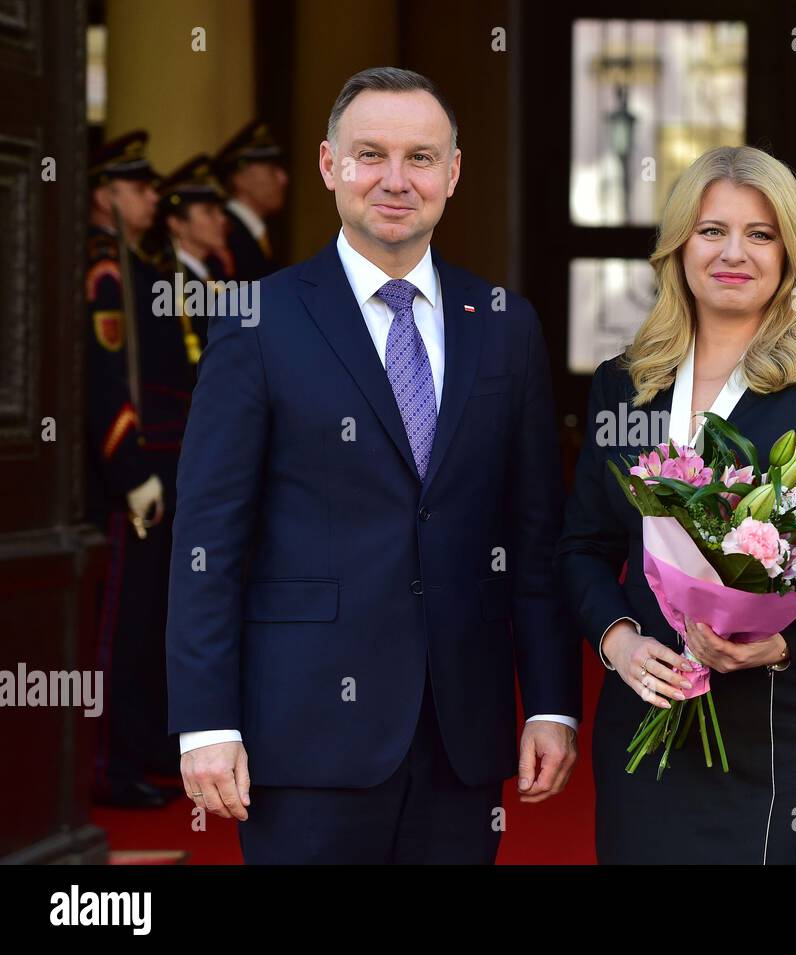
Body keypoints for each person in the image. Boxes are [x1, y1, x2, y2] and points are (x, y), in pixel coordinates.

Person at [167, 67, 581, 862]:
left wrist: (552, 703)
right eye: (370, 155)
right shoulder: (257, 322)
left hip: (462, 734)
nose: (396, 180)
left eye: (421, 157)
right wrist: (207, 721)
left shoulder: (504, 326)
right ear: (329, 166)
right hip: (303, 735)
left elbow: (535, 536)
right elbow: (207, 542)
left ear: (453, 173)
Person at [557, 145, 796, 863]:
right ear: (680, 245)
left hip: (787, 719)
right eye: (712, 231)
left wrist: (780, 641)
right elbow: (582, 545)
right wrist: (619, 643)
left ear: (790, 251)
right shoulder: (627, 384)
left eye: (760, 233)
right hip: (648, 707)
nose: (733, 253)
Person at [85, 130, 188, 806]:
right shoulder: (103, 271)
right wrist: (131, 469)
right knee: (118, 629)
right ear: (104, 195)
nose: (153, 198)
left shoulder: (135, 263)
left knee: (152, 621)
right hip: (127, 481)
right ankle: (107, 767)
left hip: (162, 467)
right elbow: (103, 378)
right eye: (139, 187)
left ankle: (143, 744)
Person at [152, 153, 232, 354]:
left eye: (219, 211)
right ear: (177, 224)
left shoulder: (214, 270)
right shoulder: (169, 278)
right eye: (208, 212)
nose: (222, 219)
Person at [212, 119, 288, 280]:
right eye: (271, 170)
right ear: (240, 179)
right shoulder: (225, 234)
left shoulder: (257, 233)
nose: (283, 178)